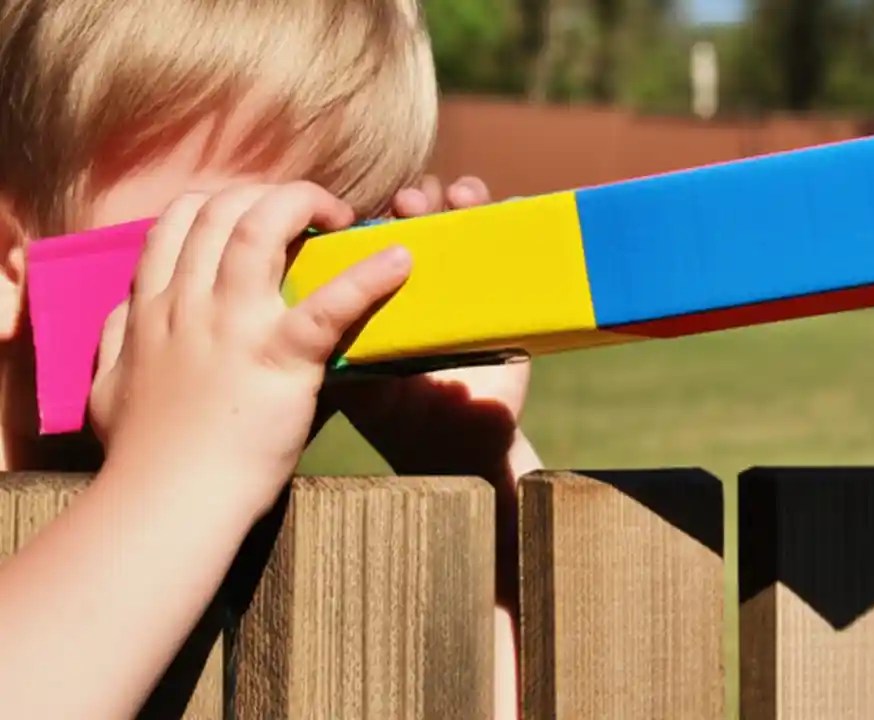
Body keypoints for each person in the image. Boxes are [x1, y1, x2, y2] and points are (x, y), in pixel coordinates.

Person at [0, 1, 534, 717]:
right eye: (225, 253)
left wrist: (476, 463)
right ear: (10, 268)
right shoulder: (189, 504)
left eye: (335, 257)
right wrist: (181, 473)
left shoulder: (260, 545)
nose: (299, 318)